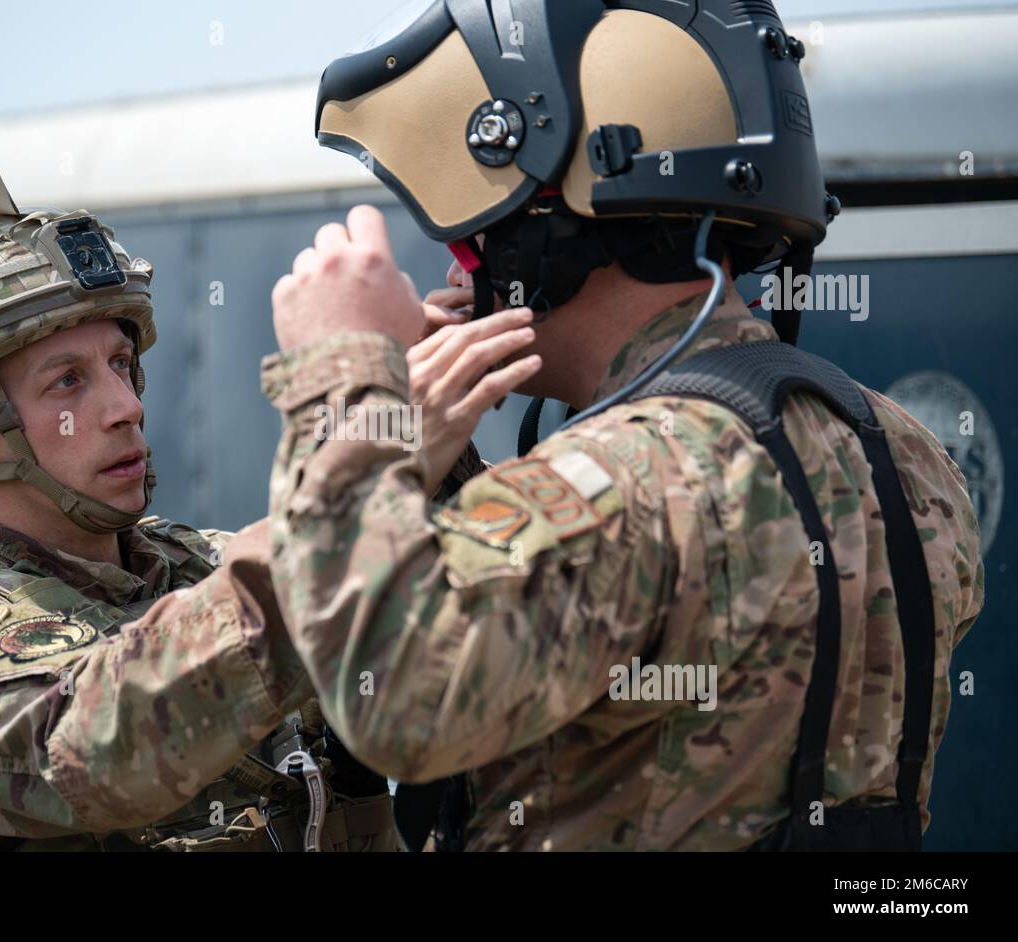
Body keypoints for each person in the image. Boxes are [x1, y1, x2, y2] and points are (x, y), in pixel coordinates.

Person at [261, 2, 985, 850]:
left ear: (547, 238)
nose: (467, 265)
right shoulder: (901, 445)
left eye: (476, 236)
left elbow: (393, 700)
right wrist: (438, 444)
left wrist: (345, 384)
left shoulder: (620, 478)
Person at [0, 150, 423, 851]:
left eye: (121, 365)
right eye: (67, 382)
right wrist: (350, 428)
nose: (125, 407)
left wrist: (424, 439)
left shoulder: (200, 568)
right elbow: (99, 748)